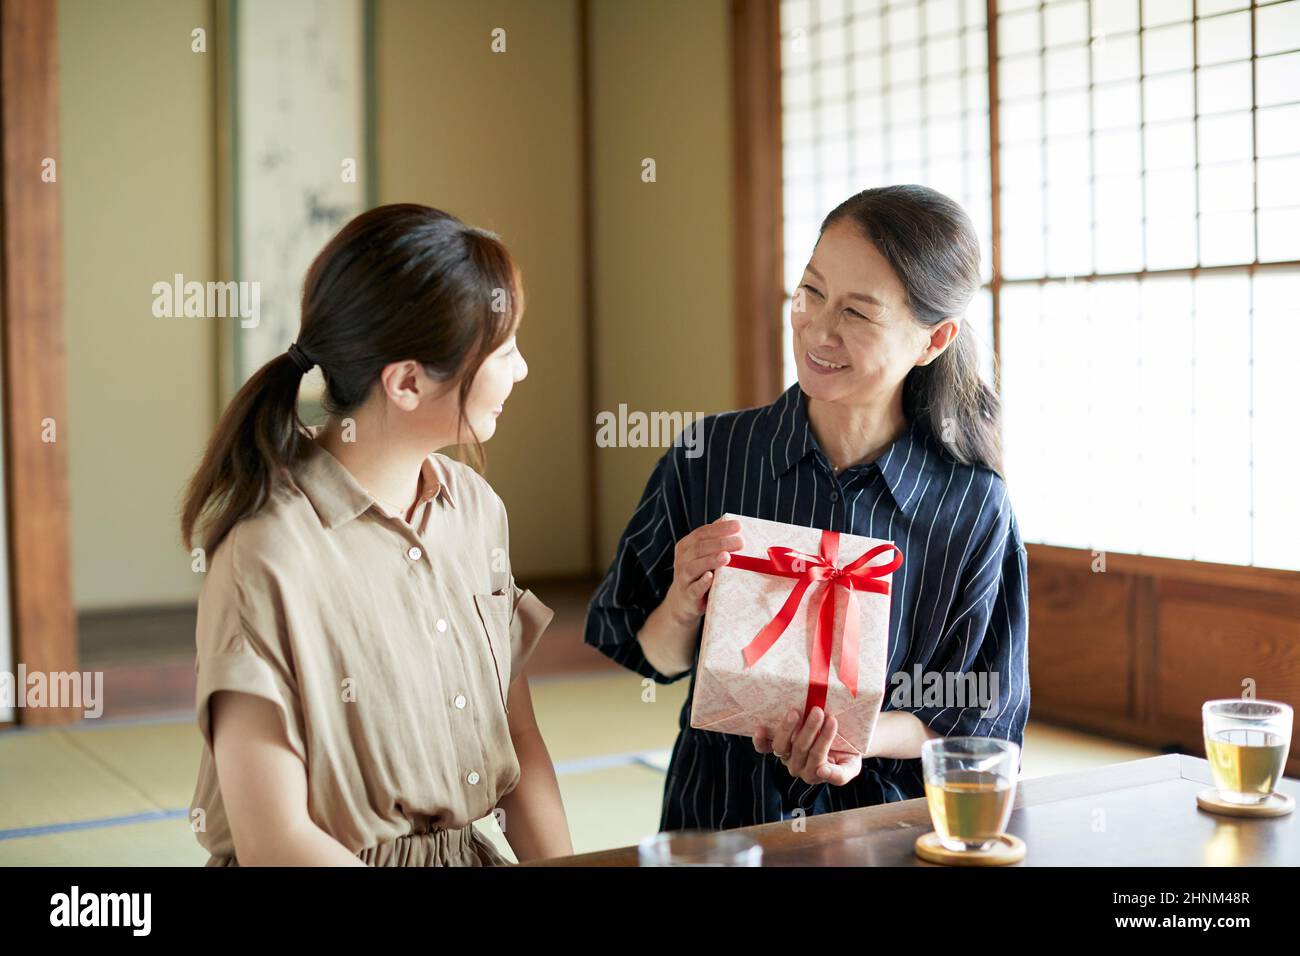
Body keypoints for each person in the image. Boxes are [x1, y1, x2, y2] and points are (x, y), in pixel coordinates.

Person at [586, 184, 1029, 831]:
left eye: (858, 312)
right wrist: (684, 597)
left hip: (883, 827)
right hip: (719, 815)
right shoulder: (711, 456)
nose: (818, 329)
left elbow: (979, 722)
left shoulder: (971, 504)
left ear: (934, 339)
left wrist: (858, 736)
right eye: (811, 291)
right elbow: (650, 654)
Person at [180, 203, 571, 864]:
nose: (522, 370)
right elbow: (275, 841)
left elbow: (519, 743)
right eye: (503, 351)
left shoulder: (475, 511)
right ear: (408, 382)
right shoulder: (266, 553)